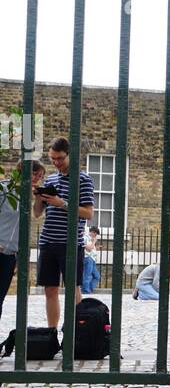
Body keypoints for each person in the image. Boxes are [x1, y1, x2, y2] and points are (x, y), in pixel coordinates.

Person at [33, 138, 95, 329]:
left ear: (69, 155)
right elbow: (37, 213)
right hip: (48, 242)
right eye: (53, 158)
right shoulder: (50, 179)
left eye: (60, 158)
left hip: (71, 244)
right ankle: (52, 333)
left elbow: (88, 213)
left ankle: (76, 333)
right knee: (49, 290)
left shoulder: (83, 179)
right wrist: (38, 197)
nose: (56, 162)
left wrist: (62, 203)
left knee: (73, 289)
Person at [0, 159, 46, 321]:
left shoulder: (28, 196)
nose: (36, 178)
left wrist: (39, 197)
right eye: (34, 173)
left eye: (39, 176)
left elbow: (37, 214)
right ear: (21, 171)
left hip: (11, 255)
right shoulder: (5, 189)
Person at [82, 224, 101, 294]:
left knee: (97, 276)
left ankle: (88, 289)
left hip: (92, 260)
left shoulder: (90, 239)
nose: (96, 236)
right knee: (87, 276)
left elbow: (91, 248)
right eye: (96, 234)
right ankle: (85, 291)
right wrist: (94, 241)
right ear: (93, 232)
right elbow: (89, 249)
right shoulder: (85, 238)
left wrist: (96, 247)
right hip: (88, 259)